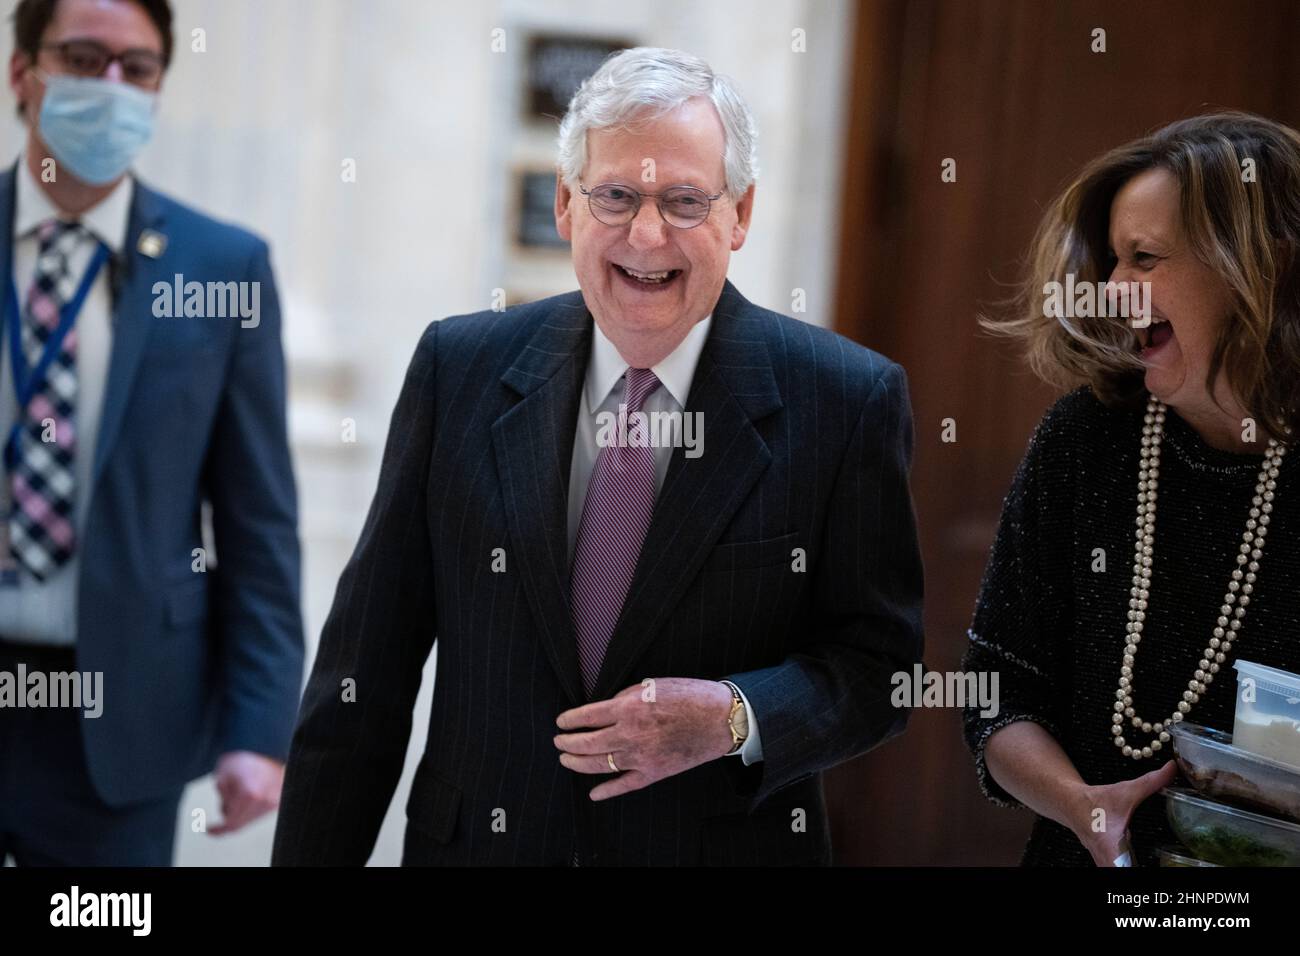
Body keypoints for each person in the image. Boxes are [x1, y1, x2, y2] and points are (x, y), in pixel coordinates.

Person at [272, 46, 924, 866]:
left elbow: (879, 673)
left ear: (742, 214)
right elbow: (361, 679)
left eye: (686, 200)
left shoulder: (845, 400)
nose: (647, 235)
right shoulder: (459, 370)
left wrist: (734, 716)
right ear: (566, 205)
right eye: (616, 195)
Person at [0, 0, 303, 865]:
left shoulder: (223, 267)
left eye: (136, 69)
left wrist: (260, 723)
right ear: (23, 73)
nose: (111, 86)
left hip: (121, 717)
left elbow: (258, 520)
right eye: (82, 57)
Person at [963, 111, 1300, 866]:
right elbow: (996, 695)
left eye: (1144, 258)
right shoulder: (1088, 437)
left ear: (1259, 267)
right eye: (1113, 260)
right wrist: (1084, 809)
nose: (1112, 290)